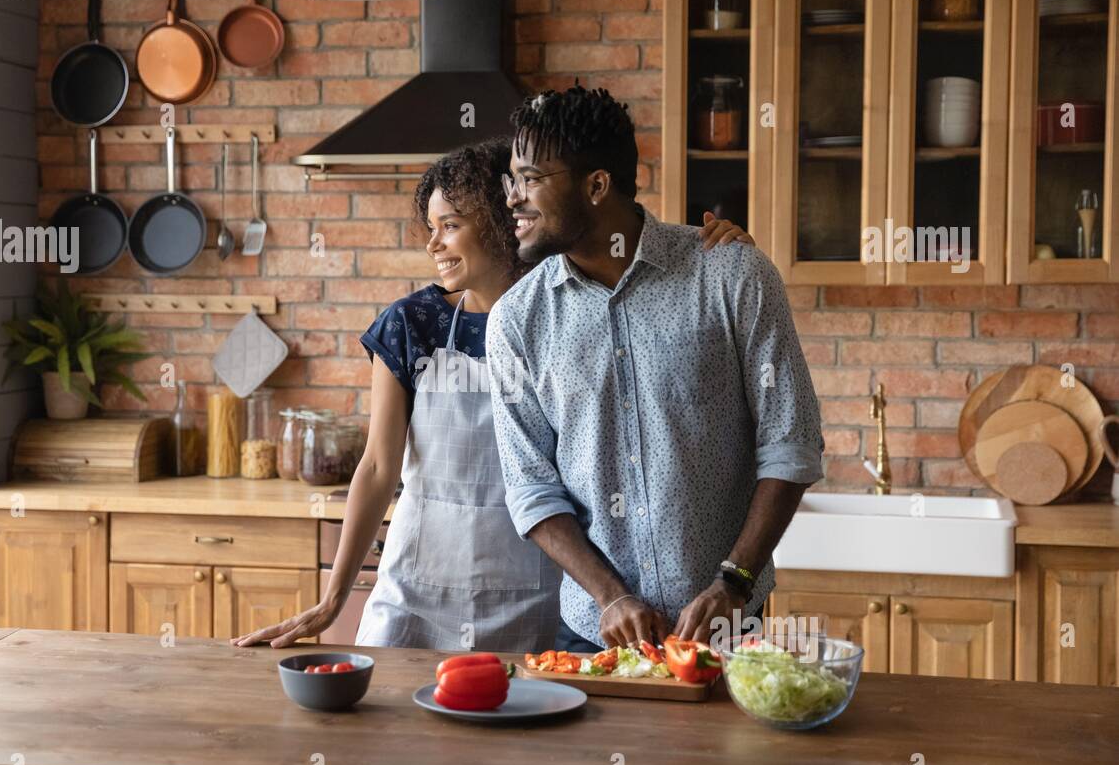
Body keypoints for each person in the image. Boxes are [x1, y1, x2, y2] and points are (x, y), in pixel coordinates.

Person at [230, 137, 753, 652]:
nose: (433, 244)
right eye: (430, 229)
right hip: (417, 591)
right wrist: (331, 602)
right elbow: (376, 468)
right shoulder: (411, 325)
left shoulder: (563, 317)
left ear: (502, 220)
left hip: (538, 598)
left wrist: (719, 254)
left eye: (451, 226)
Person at [485, 86, 825, 654]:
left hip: (729, 627)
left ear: (596, 185)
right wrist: (610, 596)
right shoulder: (517, 322)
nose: (513, 199)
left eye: (531, 179)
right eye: (510, 181)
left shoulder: (730, 275)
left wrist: (733, 582)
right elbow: (532, 488)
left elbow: (790, 444)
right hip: (595, 634)